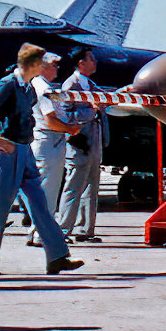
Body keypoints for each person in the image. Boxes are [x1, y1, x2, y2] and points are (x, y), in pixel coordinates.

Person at [0, 44, 83, 275]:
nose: (46, 68)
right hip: (9, 153)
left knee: (39, 204)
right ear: (32, 64)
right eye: (42, 63)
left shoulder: (26, 88)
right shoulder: (8, 86)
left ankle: (57, 256)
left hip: (25, 151)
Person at [25, 52, 83, 247]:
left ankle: (36, 230)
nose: (57, 69)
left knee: (43, 189)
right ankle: (42, 233)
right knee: (48, 191)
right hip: (49, 140)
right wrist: (70, 128)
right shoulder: (43, 88)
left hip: (45, 140)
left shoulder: (38, 85)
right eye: (54, 65)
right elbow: (50, 119)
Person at [55, 48, 108, 242]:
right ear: (81, 63)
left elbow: (105, 101)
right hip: (79, 141)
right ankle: (63, 229)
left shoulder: (90, 84)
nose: (95, 62)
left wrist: (124, 92)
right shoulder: (71, 85)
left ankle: (85, 229)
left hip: (94, 139)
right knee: (74, 185)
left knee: (91, 186)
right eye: (91, 59)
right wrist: (91, 112)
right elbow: (65, 115)